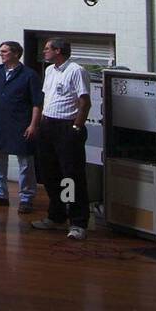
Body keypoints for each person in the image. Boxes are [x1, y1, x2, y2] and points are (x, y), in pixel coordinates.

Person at [30, 38, 91, 240]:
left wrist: (76, 127)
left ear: (58, 51)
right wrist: (38, 124)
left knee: (70, 177)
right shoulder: (49, 71)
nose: (44, 52)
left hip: (67, 127)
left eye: (47, 49)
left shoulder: (76, 70)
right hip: (48, 126)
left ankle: (77, 222)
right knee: (50, 174)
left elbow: (84, 102)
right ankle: (56, 216)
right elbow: (46, 98)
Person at [0, 41, 43, 214]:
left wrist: (33, 125)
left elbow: (37, 103)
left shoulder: (29, 75)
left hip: (20, 124)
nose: (1, 54)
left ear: (16, 53)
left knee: (25, 163)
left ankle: (26, 198)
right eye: (0, 51)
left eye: (5, 51)